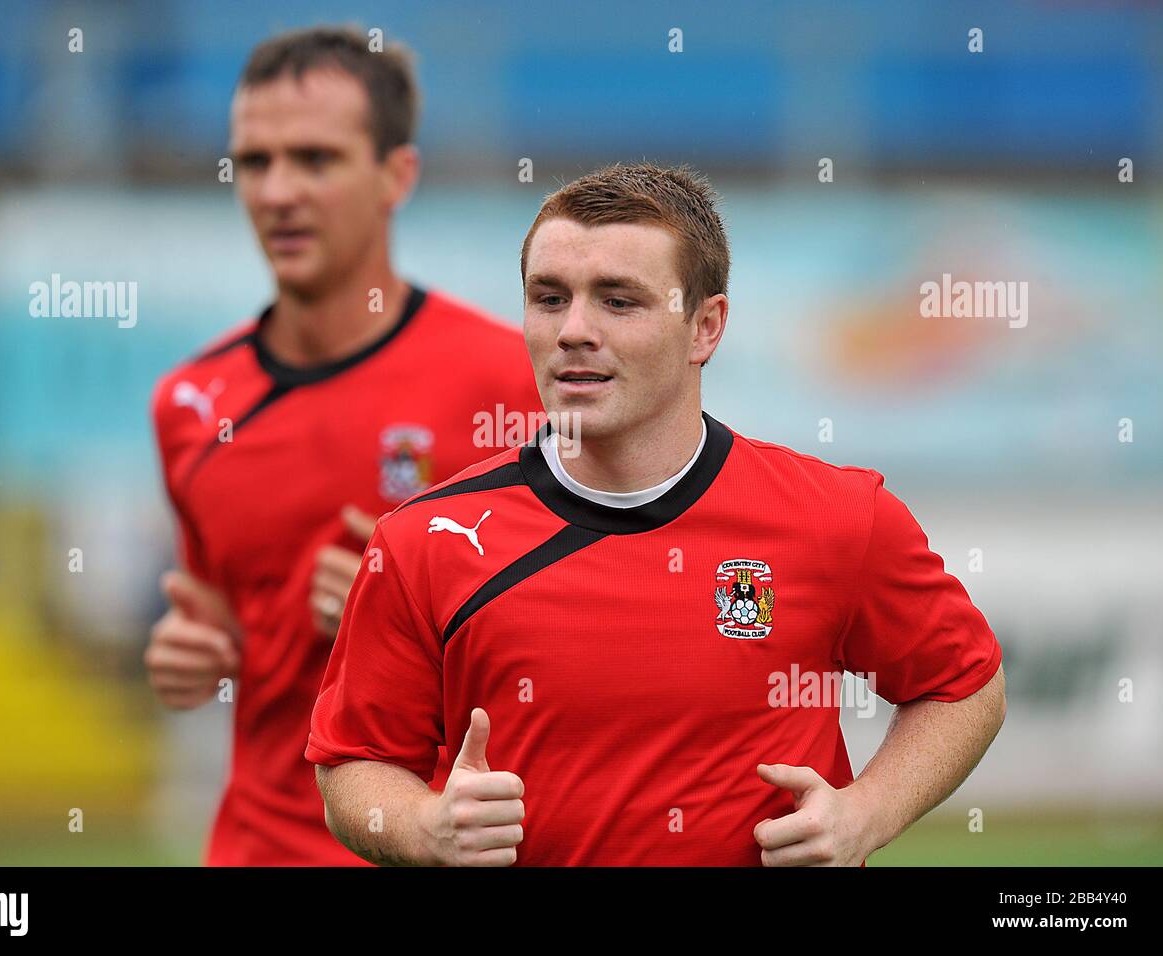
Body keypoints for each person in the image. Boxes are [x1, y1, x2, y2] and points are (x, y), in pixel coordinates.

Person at [307, 162, 1006, 866]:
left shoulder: (838, 517)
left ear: (705, 327)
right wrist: (423, 828)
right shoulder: (426, 539)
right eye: (550, 298)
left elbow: (965, 685)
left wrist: (865, 813)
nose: (574, 329)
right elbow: (352, 766)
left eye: (618, 301)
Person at [146, 26, 540, 866]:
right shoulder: (189, 405)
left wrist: (414, 610)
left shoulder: (513, 381)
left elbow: (591, 633)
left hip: (450, 847)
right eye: (254, 162)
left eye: (316, 159)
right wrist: (192, 657)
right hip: (260, 847)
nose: (278, 192)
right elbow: (224, 619)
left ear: (397, 174)